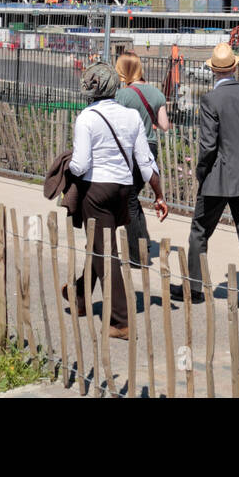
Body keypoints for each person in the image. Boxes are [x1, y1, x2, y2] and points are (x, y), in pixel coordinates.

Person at [62, 63, 169, 340]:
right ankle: (81, 296)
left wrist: (67, 167)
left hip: (96, 191)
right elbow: (146, 162)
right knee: (100, 243)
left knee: (103, 251)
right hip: (123, 189)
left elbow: (81, 163)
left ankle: (121, 320)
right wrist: (159, 195)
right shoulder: (132, 116)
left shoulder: (87, 117)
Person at [172, 42, 239, 310]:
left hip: (218, 176)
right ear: (235, 67)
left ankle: (195, 286)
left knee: (199, 231)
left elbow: (208, 145)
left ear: (213, 71)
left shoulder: (211, 99)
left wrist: (202, 172)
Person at [114, 52, 171, 267]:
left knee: (128, 199)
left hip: (131, 150)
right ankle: (143, 243)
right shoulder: (156, 93)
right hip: (151, 147)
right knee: (132, 197)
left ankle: (139, 254)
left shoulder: (123, 96)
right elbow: (164, 125)